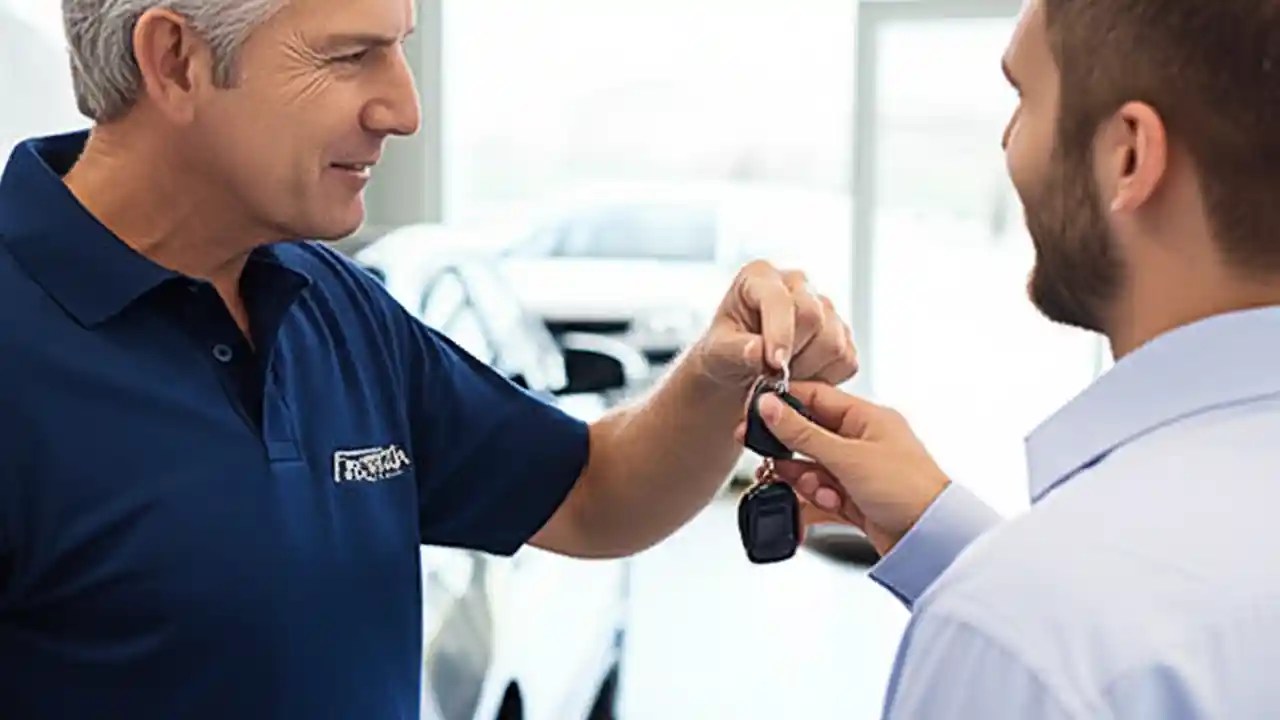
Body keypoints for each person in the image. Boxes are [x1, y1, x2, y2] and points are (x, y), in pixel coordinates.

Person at [0, 1, 858, 718]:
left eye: (401, 49)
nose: (402, 109)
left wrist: (715, 372)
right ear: (176, 59)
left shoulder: (334, 307)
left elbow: (595, 496)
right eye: (351, 56)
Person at [748, 0, 1280, 717]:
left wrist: (1007, 600)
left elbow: (1062, 640)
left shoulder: (1026, 632)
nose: (1007, 143)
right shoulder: (1062, 615)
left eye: (1024, 99)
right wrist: (950, 539)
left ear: (1128, 155)